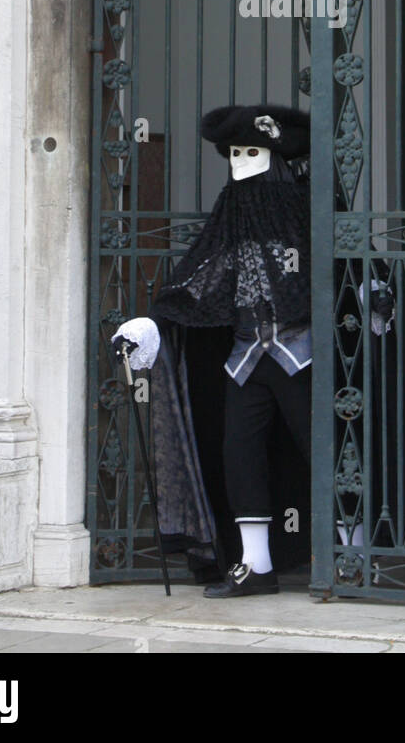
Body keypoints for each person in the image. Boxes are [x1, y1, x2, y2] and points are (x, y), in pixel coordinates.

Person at [116, 103, 312, 597]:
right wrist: (152, 322)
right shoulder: (230, 219)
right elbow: (200, 276)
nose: (243, 162)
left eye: (254, 152)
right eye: (236, 153)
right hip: (246, 358)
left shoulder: (305, 210)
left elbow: (340, 265)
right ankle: (257, 564)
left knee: (323, 452)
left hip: (301, 354)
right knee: (238, 455)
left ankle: (352, 550)